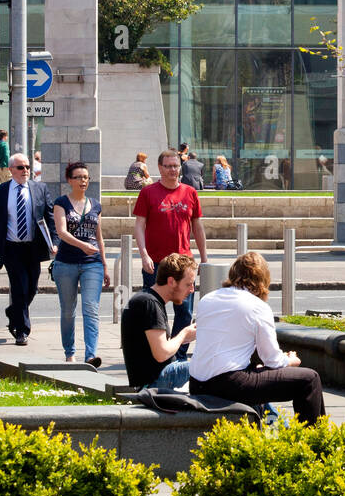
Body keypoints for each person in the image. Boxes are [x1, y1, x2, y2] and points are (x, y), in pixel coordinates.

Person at [189, 251, 325, 424]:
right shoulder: (257, 306)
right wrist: (289, 361)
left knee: (256, 371)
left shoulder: (207, 299)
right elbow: (272, 360)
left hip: (197, 382)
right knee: (309, 380)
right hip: (228, 384)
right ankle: (313, 444)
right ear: (263, 280)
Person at [133, 149, 208, 350]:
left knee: (184, 311)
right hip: (155, 263)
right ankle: (157, 350)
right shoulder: (148, 192)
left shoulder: (190, 192)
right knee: (154, 310)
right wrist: (144, 254)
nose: (172, 170)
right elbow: (139, 225)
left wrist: (204, 258)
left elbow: (198, 227)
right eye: (168, 166)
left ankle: (179, 353)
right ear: (159, 168)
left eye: (175, 166)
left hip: (184, 263)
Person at [0, 152, 57, 346]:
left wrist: (55, 241)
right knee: (19, 287)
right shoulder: (0, 192)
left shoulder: (40, 189)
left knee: (32, 288)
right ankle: (22, 330)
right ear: (11, 170)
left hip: (33, 247)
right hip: (10, 248)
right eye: (20, 167)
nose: (25, 171)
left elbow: (50, 216)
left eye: (27, 167)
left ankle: (13, 312)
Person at [53, 161, 110, 367]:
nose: (83, 181)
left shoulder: (95, 205)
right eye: (78, 177)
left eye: (86, 177)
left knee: (91, 308)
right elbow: (61, 232)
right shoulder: (61, 203)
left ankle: (90, 355)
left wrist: (104, 265)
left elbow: (99, 237)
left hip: (92, 263)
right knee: (68, 310)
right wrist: (82, 245)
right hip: (66, 263)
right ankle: (70, 353)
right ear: (70, 180)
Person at [120, 252, 198, 391]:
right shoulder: (150, 303)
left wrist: (185, 337)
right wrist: (184, 334)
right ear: (171, 281)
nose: (192, 290)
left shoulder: (148, 299)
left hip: (155, 379)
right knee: (212, 367)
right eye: (188, 284)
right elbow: (161, 353)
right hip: (155, 382)